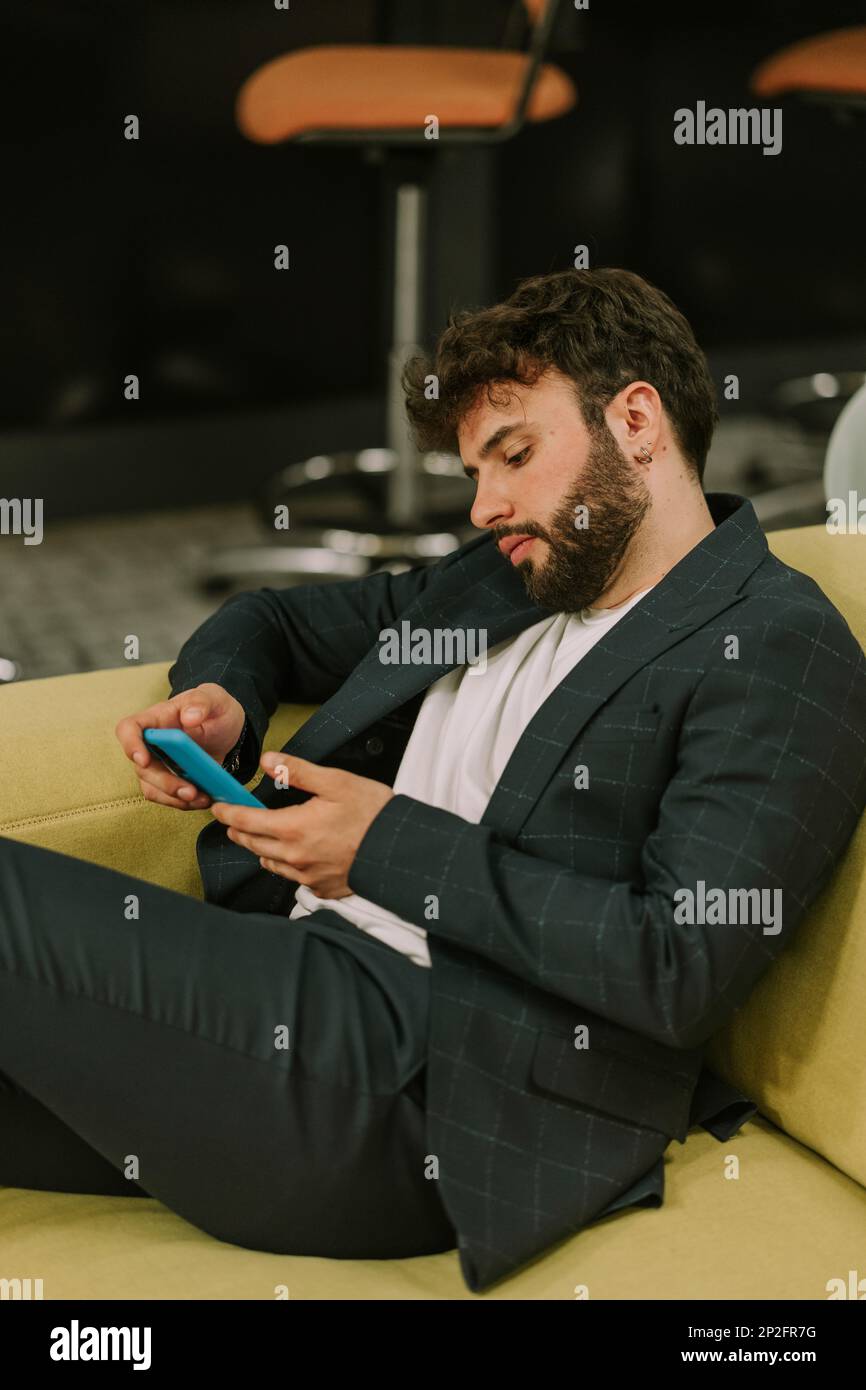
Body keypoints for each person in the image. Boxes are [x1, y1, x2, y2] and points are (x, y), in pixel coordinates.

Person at [2, 267, 865, 1296]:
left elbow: (676, 961)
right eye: (473, 470)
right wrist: (219, 704)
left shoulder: (772, 643)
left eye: (512, 453)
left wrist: (383, 847)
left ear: (635, 420)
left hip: (426, 1085)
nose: (485, 501)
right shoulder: (515, 574)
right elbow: (269, 621)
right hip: (284, 993)